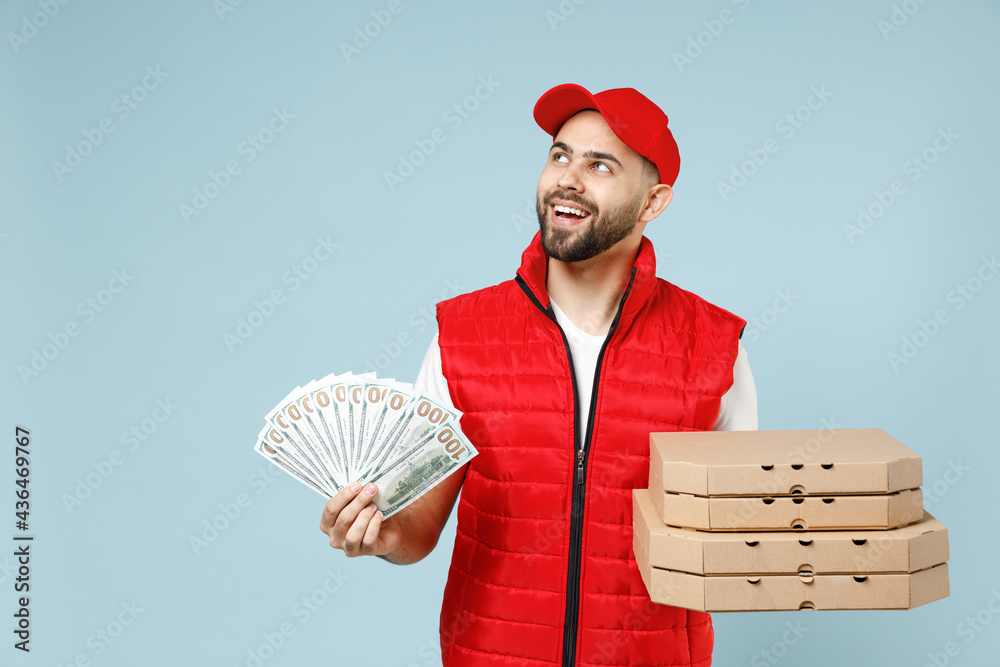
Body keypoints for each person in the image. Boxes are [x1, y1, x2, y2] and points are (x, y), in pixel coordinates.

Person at [320, 83, 757, 667]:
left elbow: (738, 540)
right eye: (559, 155)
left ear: (653, 203)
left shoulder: (714, 347)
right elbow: (417, 527)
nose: (567, 179)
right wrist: (383, 532)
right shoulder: (463, 334)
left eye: (600, 164)